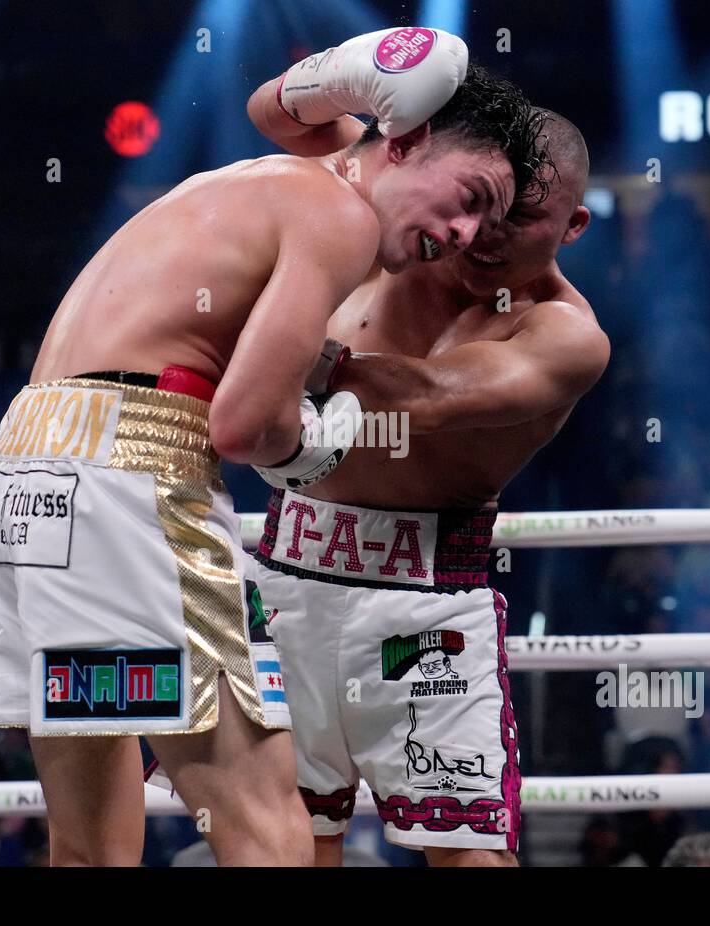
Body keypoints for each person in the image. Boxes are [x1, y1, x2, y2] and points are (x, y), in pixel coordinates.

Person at [0, 27, 548, 866]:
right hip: (131, 489)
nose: (468, 230)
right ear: (405, 141)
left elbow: (278, 107)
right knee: (266, 822)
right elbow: (245, 425)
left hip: (28, 491)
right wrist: (313, 448)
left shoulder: (264, 186)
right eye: (472, 194)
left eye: (488, 219)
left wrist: (353, 77)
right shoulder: (336, 215)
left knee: (91, 843)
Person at [245, 72, 609, 865]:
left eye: (518, 218)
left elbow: (427, 395)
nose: (482, 234)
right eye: (478, 204)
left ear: (574, 225)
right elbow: (278, 117)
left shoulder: (566, 336)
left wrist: (267, 341)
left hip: (427, 609)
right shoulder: (411, 212)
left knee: (468, 854)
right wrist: (355, 67)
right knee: (286, 841)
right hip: (285, 578)